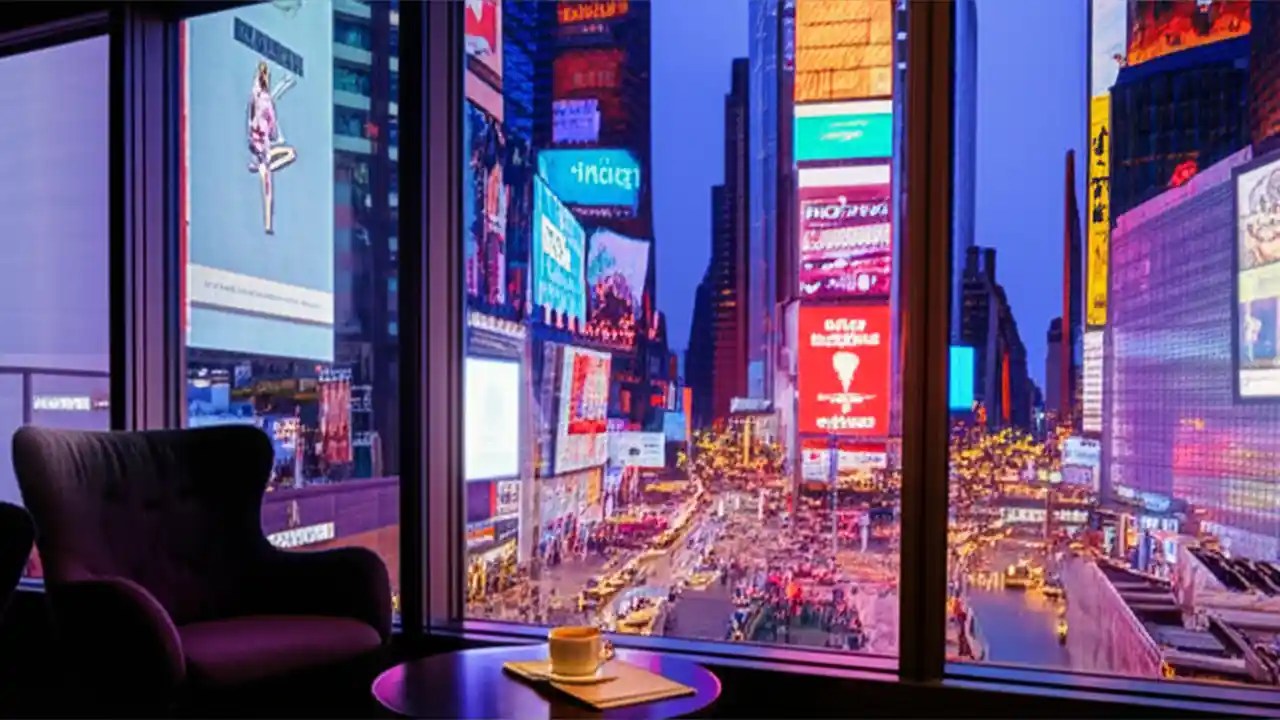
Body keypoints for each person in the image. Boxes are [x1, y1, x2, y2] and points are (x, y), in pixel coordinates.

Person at [247, 60, 297, 235]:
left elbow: (272, 129)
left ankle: (263, 165)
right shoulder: (259, 98)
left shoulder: (263, 99)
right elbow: (262, 123)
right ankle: (268, 226)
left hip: (265, 149)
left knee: (290, 154)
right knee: (267, 189)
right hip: (261, 148)